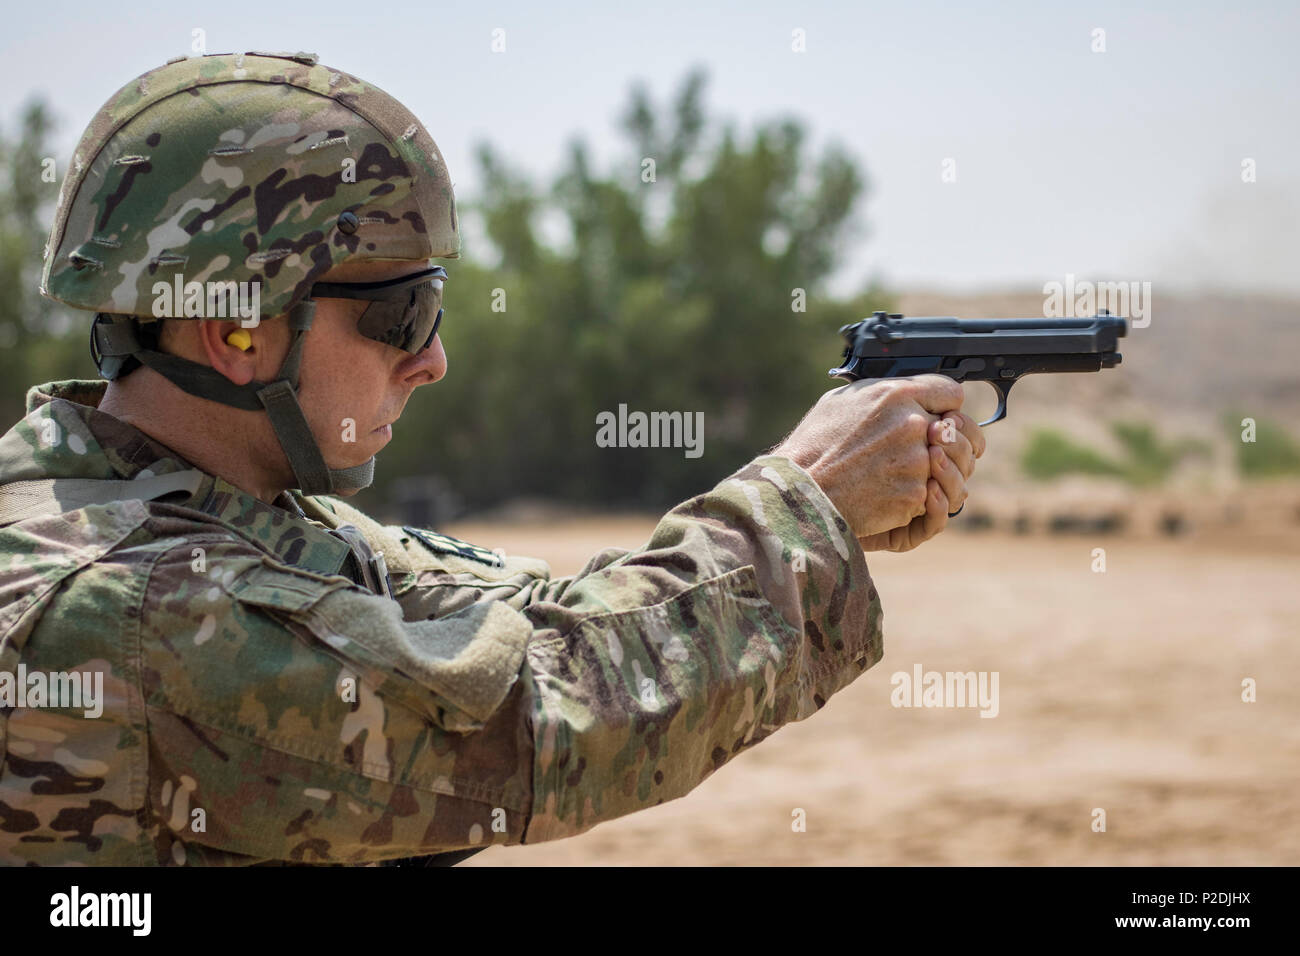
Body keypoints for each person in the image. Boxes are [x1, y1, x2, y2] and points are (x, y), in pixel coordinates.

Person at [0, 52, 984, 866]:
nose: (433, 359)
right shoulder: (130, 607)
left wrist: (824, 511)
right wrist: (802, 504)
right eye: (401, 313)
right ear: (241, 331)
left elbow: (539, 625)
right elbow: (542, 726)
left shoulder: (199, 502)